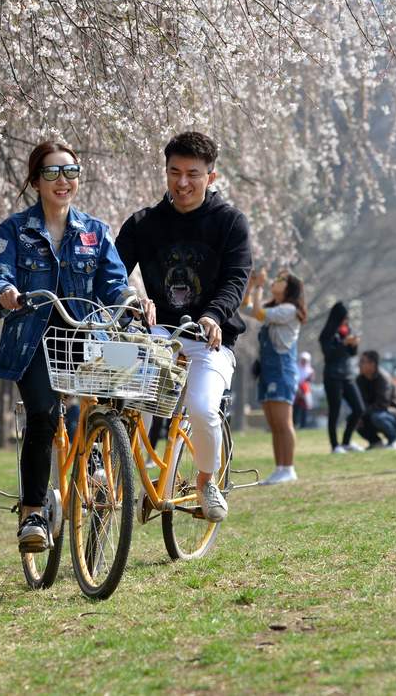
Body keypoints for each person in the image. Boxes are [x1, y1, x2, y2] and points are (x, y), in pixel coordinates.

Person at [0, 140, 133, 553]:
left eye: (70, 171)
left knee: (118, 395)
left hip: (85, 338)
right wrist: (6, 292)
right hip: (32, 344)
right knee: (45, 417)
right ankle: (32, 511)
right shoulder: (15, 230)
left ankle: (99, 470)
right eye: (51, 172)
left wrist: (130, 301)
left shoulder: (95, 232)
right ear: (35, 180)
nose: (62, 180)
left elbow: (114, 284)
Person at [116, 131, 252, 520]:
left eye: (193, 173)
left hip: (211, 338)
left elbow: (235, 279)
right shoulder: (143, 224)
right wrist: (130, 299)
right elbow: (111, 274)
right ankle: (120, 473)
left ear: (212, 177)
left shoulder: (229, 223)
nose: (182, 182)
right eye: (174, 172)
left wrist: (213, 315)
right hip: (158, 336)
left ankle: (206, 483)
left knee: (203, 408)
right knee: (126, 396)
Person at [241, 268, 308, 484]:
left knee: (283, 422)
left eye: (281, 279)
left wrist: (260, 286)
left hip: (282, 370)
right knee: (273, 423)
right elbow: (246, 306)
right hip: (269, 370)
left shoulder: (288, 309)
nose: (275, 281)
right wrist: (251, 285)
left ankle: (289, 468)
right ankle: (279, 468)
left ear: (290, 288)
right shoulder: (276, 307)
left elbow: (259, 313)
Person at [319, 301, 366, 453]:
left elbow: (352, 353)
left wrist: (354, 344)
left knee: (359, 409)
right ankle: (335, 446)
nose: (346, 321)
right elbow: (329, 354)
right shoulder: (327, 334)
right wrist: (344, 343)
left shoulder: (347, 330)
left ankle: (346, 442)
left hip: (348, 375)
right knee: (335, 411)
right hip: (332, 375)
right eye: (344, 318)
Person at [356, 350, 396, 449]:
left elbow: (382, 404)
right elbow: (360, 402)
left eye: (363, 362)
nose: (359, 365)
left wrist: (363, 413)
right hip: (373, 413)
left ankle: (395, 439)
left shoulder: (384, 379)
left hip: (395, 414)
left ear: (372, 364)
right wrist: (359, 415)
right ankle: (376, 443)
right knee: (354, 419)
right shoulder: (360, 380)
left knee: (377, 417)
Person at [294, 351, 315, 429]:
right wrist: (298, 390)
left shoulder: (310, 370)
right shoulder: (296, 368)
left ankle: (303, 425)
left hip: (306, 391)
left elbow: (310, 381)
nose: (304, 361)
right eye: (303, 359)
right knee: (296, 408)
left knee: (305, 408)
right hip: (297, 390)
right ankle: (294, 424)